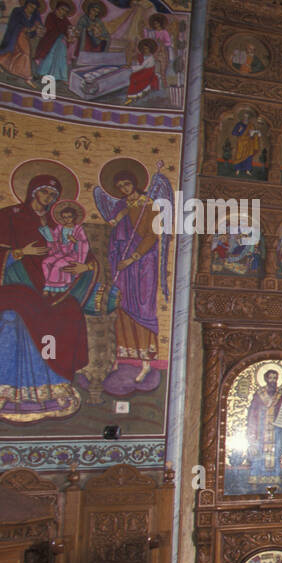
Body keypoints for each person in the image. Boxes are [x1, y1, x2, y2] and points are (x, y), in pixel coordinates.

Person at [0, 173, 103, 421]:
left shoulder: (59, 221)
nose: (48, 198)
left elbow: (85, 254)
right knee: (15, 317)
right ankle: (8, 388)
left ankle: (54, 387)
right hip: (17, 283)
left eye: (53, 195)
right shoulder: (9, 215)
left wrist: (85, 268)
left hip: (54, 289)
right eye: (45, 192)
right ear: (33, 190)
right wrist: (20, 252)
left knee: (68, 314)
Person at [96, 164, 168, 384]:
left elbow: (152, 236)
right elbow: (115, 235)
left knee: (142, 307)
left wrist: (132, 258)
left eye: (127, 184)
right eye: (120, 187)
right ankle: (121, 358)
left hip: (142, 264)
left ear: (135, 183)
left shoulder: (150, 205)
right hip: (123, 266)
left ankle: (146, 362)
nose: (124, 189)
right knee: (122, 306)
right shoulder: (122, 207)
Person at [245, 368, 282, 486]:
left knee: (275, 452)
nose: (273, 380)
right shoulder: (259, 394)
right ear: (266, 379)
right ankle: (255, 479)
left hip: (276, 430)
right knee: (258, 452)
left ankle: (274, 478)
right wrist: (252, 431)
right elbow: (252, 412)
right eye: (270, 378)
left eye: (275, 378)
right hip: (260, 429)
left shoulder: (281, 394)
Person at [33, 0, 73, 86]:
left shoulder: (65, 20)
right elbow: (50, 28)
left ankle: (59, 77)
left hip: (60, 42)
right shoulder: (51, 16)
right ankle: (42, 73)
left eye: (66, 11)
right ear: (57, 8)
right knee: (49, 55)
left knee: (62, 56)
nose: (64, 12)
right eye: (62, 9)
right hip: (49, 40)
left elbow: (69, 30)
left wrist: (71, 34)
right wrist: (63, 34)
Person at [124, 39, 160, 104]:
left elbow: (141, 66)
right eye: (143, 48)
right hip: (143, 71)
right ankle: (136, 93)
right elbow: (139, 64)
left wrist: (130, 67)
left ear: (151, 49)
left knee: (135, 79)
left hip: (148, 73)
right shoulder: (142, 56)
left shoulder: (150, 58)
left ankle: (134, 95)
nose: (144, 50)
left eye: (146, 49)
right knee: (133, 76)